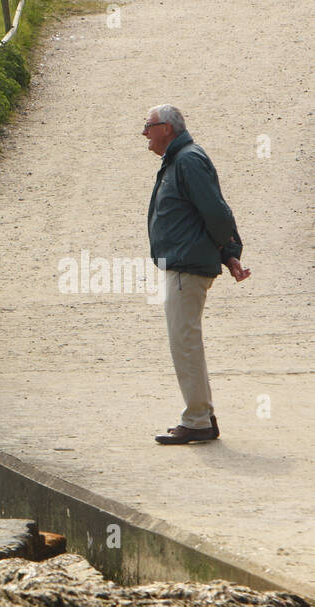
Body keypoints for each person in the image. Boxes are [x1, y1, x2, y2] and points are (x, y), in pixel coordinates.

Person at [143, 104, 250, 445]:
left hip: (186, 268)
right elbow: (211, 211)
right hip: (183, 266)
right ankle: (202, 415)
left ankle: (198, 420)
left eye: (148, 126)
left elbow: (216, 211)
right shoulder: (181, 159)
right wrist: (229, 255)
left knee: (185, 343)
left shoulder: (187, 160)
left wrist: (230, 252)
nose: (144, 133)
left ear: (167, 128)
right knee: (188, 342)